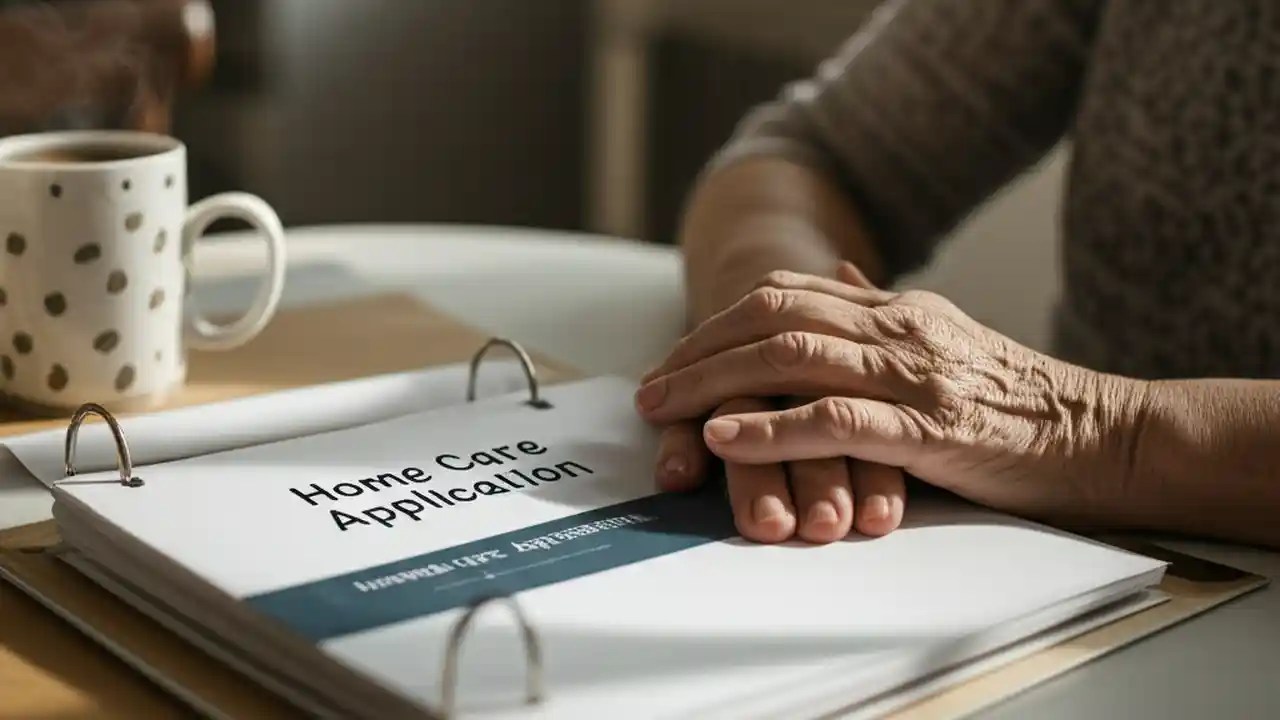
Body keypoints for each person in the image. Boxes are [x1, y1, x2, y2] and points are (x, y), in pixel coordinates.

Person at [635, 0, 1280, 550]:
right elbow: (813, 157)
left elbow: (1082, 434)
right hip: (1061, 552)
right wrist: (788, 343)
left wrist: (1097, 433)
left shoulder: (1074, 434)